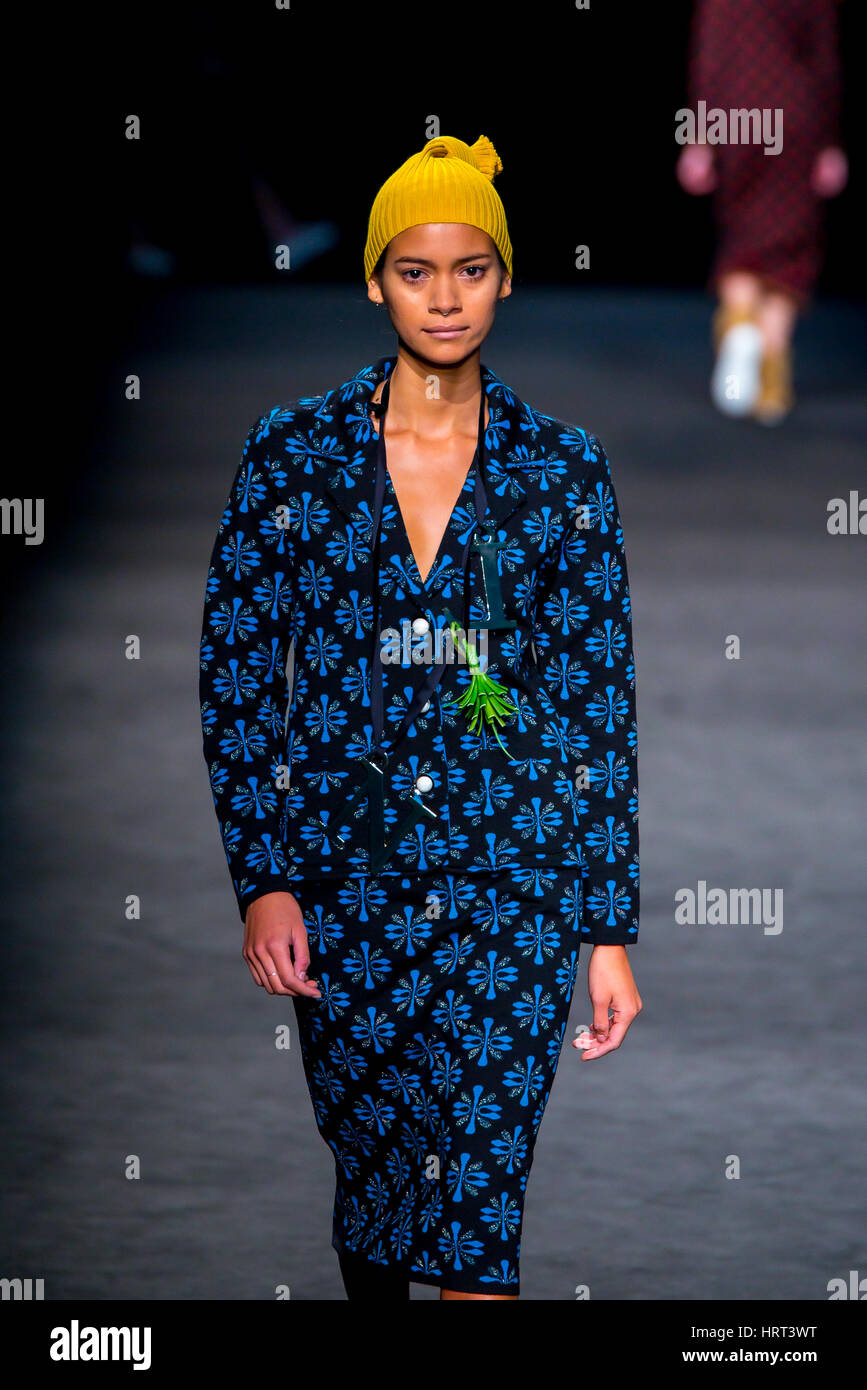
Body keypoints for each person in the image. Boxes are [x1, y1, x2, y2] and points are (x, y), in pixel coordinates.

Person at [198, 133, 642, 1301]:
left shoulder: (563, 472)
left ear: (506, 275)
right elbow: (241, 678)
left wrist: (605, 927)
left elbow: (599, 709)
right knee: (384, 1190)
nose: (445, 298)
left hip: (514, 881)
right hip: (346, 883)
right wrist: (266, 878)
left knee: (478, 1213)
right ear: (372, 279)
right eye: (415, 269)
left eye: (471, 267)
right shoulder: (292, 456)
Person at [677, 0, 847, 423]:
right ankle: (772, 383)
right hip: (795, 114)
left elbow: (710, 59)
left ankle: (737, 327)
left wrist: (699, 138)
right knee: (790, 246)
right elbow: (824, 61)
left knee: (744, 235)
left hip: (739, 113)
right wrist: (829, 141)